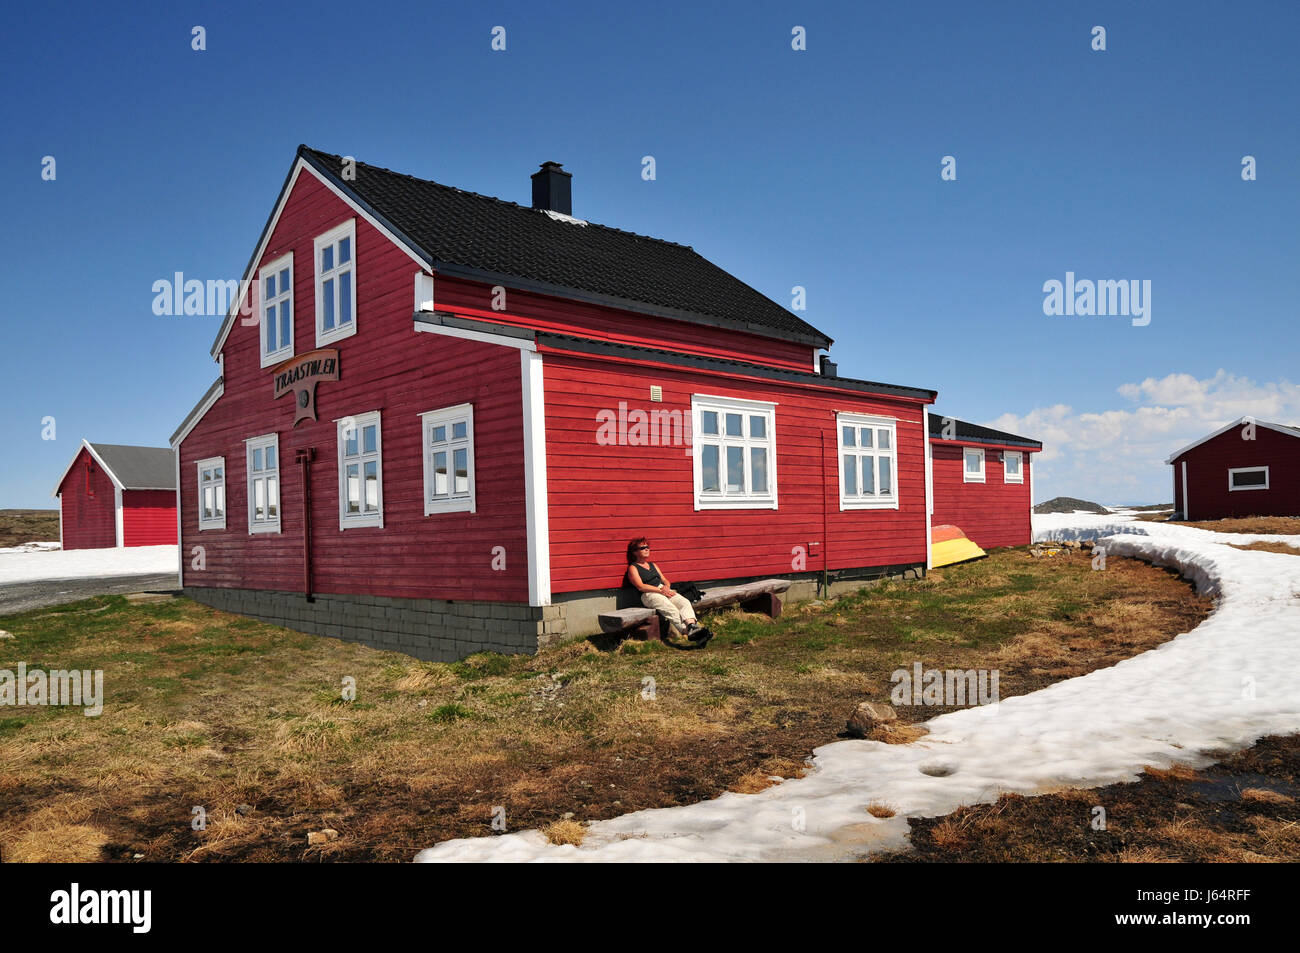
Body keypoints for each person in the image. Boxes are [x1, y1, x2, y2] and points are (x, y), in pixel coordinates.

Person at [624, 538, 712, 644]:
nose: (647, 549)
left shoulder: (653, 565)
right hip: (649, 594)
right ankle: (687, 631)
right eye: (643, 548)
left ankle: (692, 626)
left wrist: (666, 586)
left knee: (684, 602)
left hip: (662, 589)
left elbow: (665, 579)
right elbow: (641, 586)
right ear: (635, 552)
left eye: (648, 547)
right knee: (670, 608)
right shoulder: (633, 568)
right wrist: (661, 590)